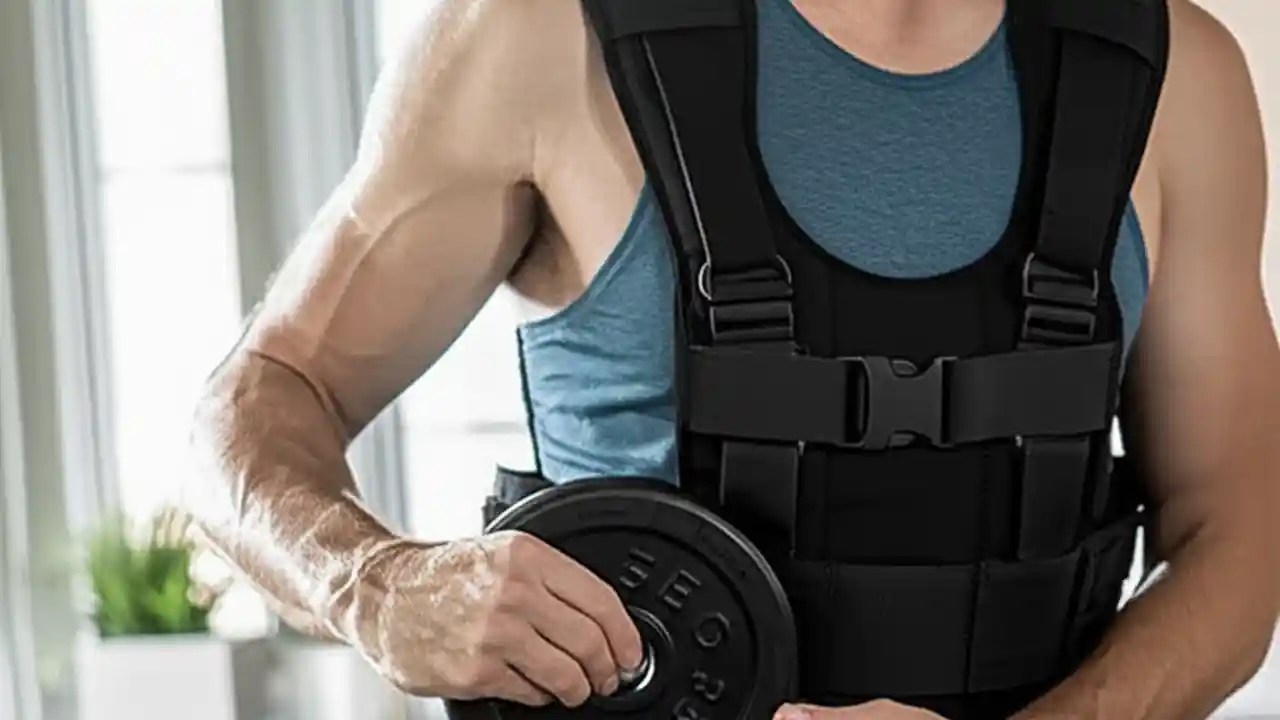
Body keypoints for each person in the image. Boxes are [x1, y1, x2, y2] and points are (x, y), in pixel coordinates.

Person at [185, 0, 1280, 717]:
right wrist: (375, 585)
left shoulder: (1172, 77)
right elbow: (262, 396)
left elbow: (1237, 532)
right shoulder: (535, 38)